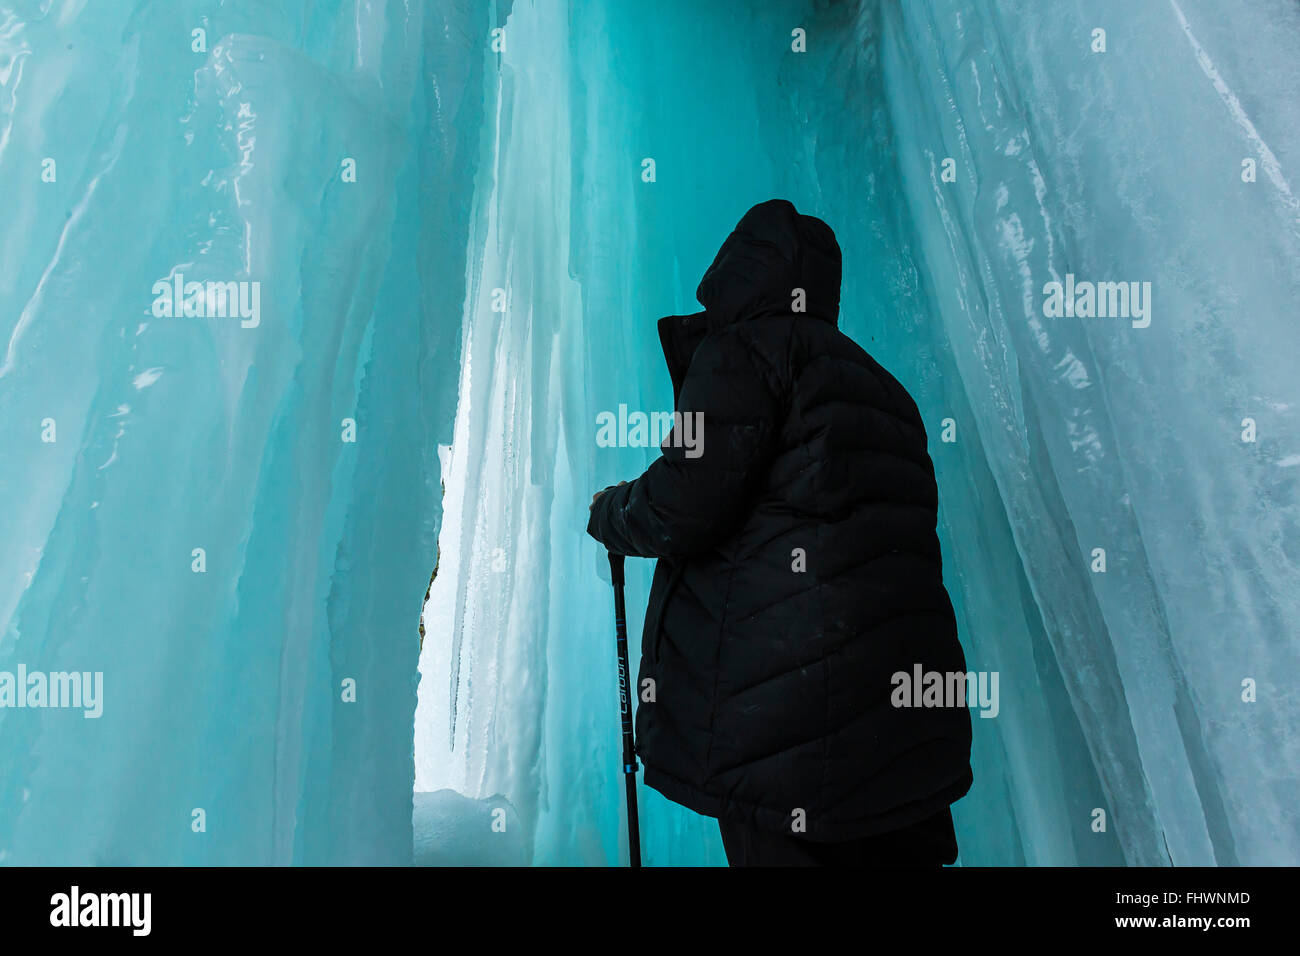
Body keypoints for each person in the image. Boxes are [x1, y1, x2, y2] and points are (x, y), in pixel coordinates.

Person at [587, 199, 972, 866]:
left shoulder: (748, 352)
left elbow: (686, 497)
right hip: (900, 734)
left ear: (734, 275)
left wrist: (615, 513)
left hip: (786, 728)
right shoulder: (888, 392)